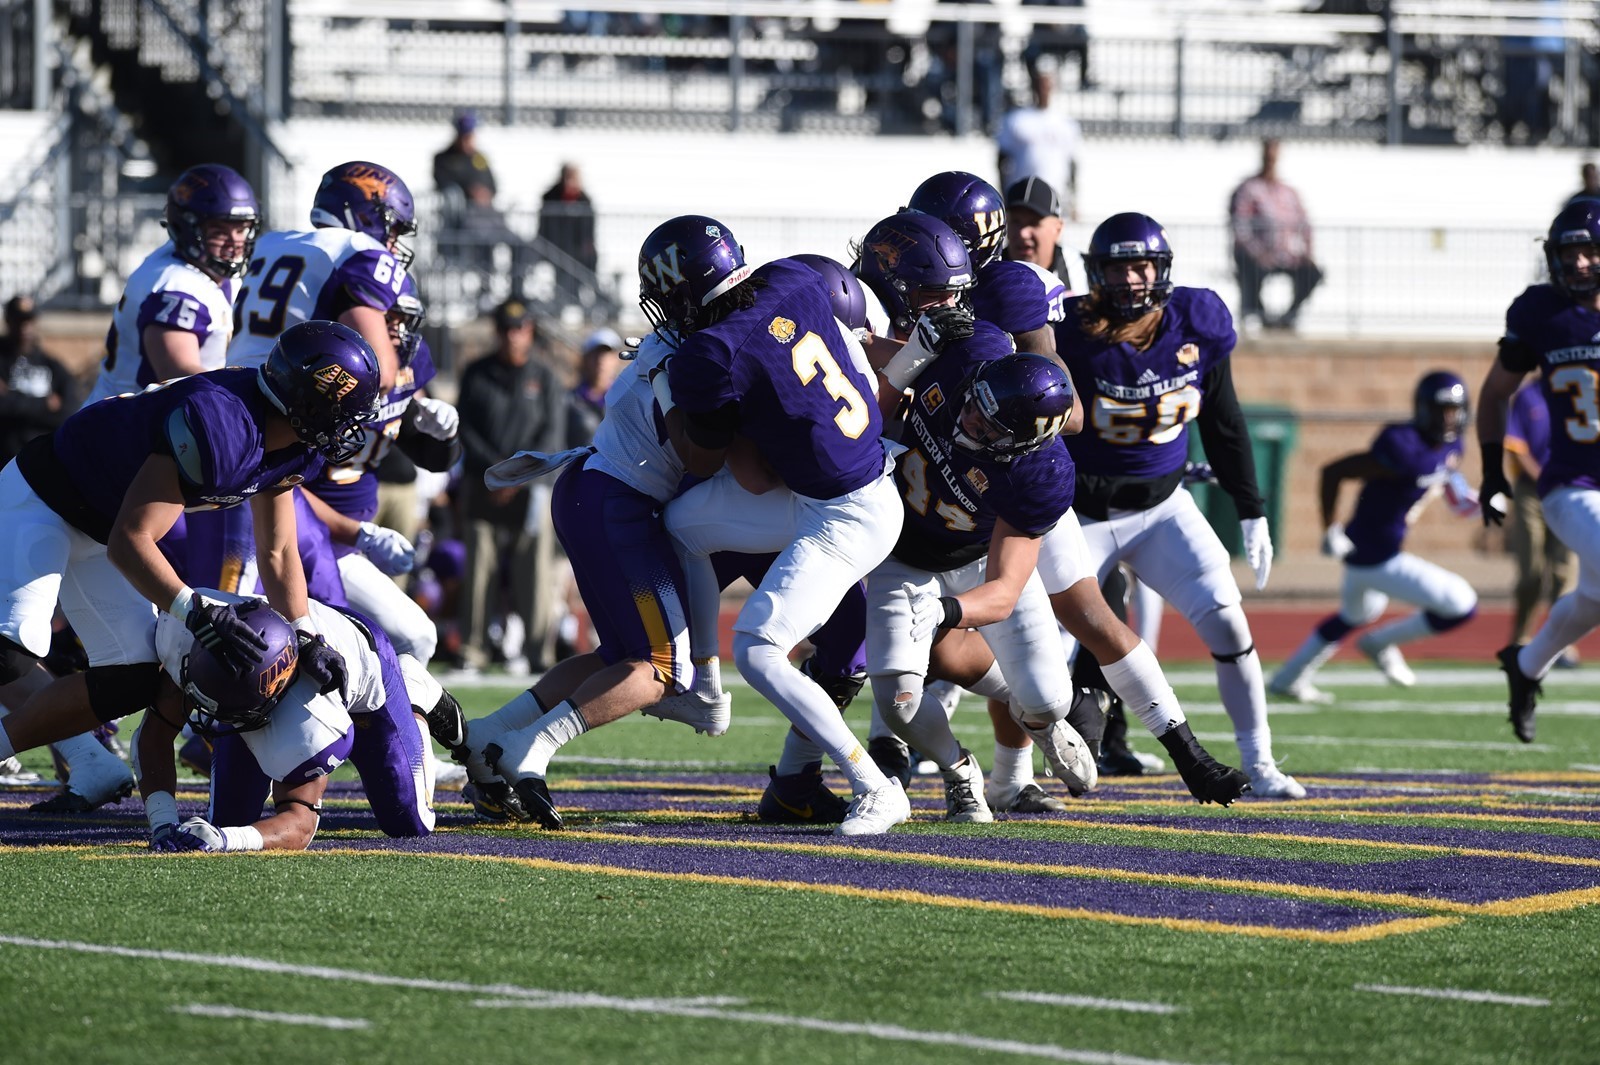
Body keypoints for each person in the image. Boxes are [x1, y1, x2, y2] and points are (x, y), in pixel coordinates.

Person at [0, 322, 381, 787]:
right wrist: (195, 612)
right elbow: (132, 540)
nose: (350, 427)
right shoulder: (223, 423)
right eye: (342, 412)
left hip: (102, 526)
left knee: (131, 678)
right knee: (11, 649)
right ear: (306, 405)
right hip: (43, 499)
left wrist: (306, 634)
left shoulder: (294, 444)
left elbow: (279, 549)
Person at [653, 216, 913, 836]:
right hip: (853, 484)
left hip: (846, 514)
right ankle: (702, 680)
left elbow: (710, 462)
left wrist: (664, 385)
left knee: (759, 649)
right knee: (683, 524)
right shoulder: (795, 277)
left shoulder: (709, 354)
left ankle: (876, 787)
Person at [1054, 212, 1303, 799]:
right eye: (1118, 267)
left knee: (1229, 621)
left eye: (1141, 265)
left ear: (1161, 269)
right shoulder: (1069, 330)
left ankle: (1260, 762)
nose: (1131, 278)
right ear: (1096, 272)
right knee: (1044, 652)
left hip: (1164, 508)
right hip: (1081, 516)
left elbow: (1223, 419)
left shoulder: (1198, 320)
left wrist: (1251, 507)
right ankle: (1009, 774)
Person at [137, 593, 462, 852]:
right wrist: (163, 824)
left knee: (409, 822)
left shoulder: (310, 710)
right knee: (228, 818)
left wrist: (226, 841)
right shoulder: (195, 636)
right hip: (261, 680)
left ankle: (413, 689)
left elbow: (300, 823)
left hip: (365, 672)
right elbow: (154, 737)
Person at [1269, 371, 1480, 703]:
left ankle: (1287, 679)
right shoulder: (1403, 446)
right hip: (1376, 556)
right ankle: (1380, 642)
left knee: (1355, 615)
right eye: (1440, 410)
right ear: (1423, 409)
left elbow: (1444, 478)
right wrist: (1330, 528)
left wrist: (1474, 499)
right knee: (1461, 603)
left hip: (1371, 553)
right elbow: (1334, 471)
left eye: (1453, 410)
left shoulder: (1452, 444)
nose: (1447, 418)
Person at [1478, 201, 1600, 743]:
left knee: (1591, 601)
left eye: (1590, 251)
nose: (1579, 263)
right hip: (1572, 485)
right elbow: (1495, 394)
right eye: (1569, 253)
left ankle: (1525, 666)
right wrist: (1491, 471)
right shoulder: (1541, 313)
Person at [84, 164, 259, 407]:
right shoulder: (177, 287)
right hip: (127, 422)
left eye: (241, 229)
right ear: (186, 228)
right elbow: (180, 375)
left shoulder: (197, 265)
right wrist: (250, 396)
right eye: (219, 231)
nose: (235, 243)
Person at [455, 299, 565, 672]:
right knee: (478, 568)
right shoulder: (477, 373)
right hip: (483, 481)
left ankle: (538, 653)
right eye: (505, 329)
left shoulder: (545, 377)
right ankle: (472, 649)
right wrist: (497, 472)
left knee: (535, 570)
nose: (512, 336)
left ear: (530, 331)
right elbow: (466, 428)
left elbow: (551, 434)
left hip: (530, 485)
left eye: (519, 328)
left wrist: (516, 475)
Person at [1505, 379, 1577, 661]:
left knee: (1563, 572)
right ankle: (1521, 638)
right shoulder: (1528, 396)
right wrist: (1544, 478)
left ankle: (1561, 643)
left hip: (1569, 491)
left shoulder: (1576, 389)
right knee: (1531, 573)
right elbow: (1516, 446)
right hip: (1532, 492)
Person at [1229, 139, 1322, 331]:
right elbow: (1240, 226)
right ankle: (1261, 316)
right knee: (1251, 272)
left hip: (1285, 254)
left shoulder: (1288, 192)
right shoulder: (1248, 189)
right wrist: (1258, 253)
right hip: (1256, 255)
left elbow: (1304, 224)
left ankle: (1288, 317)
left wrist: (1307, 253)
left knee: (1312, 274)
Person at [0, 296, 76, 468]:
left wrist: (12, 399)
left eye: (28, 321)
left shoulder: (51, 365)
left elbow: (69, 411)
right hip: (5, 460)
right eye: (18, 320)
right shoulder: (3, 360)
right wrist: (45, 404)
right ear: (8, 321)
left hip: (41, 463)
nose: (24, 327)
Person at [996, 70, 1082, 221]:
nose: (1043, 91)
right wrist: (1003, 194)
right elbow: (1001, 159)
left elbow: (1073, 163)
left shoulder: (1066, 123)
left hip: (1055, 194)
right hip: (1021, 194)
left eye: (1046, 86)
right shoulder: (1016, 120)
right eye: (1040, 86)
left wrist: (1074, 201)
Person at [1003, 176, 1074, 294]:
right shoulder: (986, 273)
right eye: (1015, 222)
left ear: (1057, 229)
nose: (1023, 234)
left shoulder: (1084, 271)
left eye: (1034, 223)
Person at [539, 163, 599, 287]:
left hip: (577, 248)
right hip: (554, 245)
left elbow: (588, 229)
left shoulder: (584, 200)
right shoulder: (551, 197)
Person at [566, 327, 624, 449]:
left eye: (606, 354)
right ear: (586, 359)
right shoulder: (569, 400)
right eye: (596, 354)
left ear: (616, 359)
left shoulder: (626, 399)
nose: (600, 360)